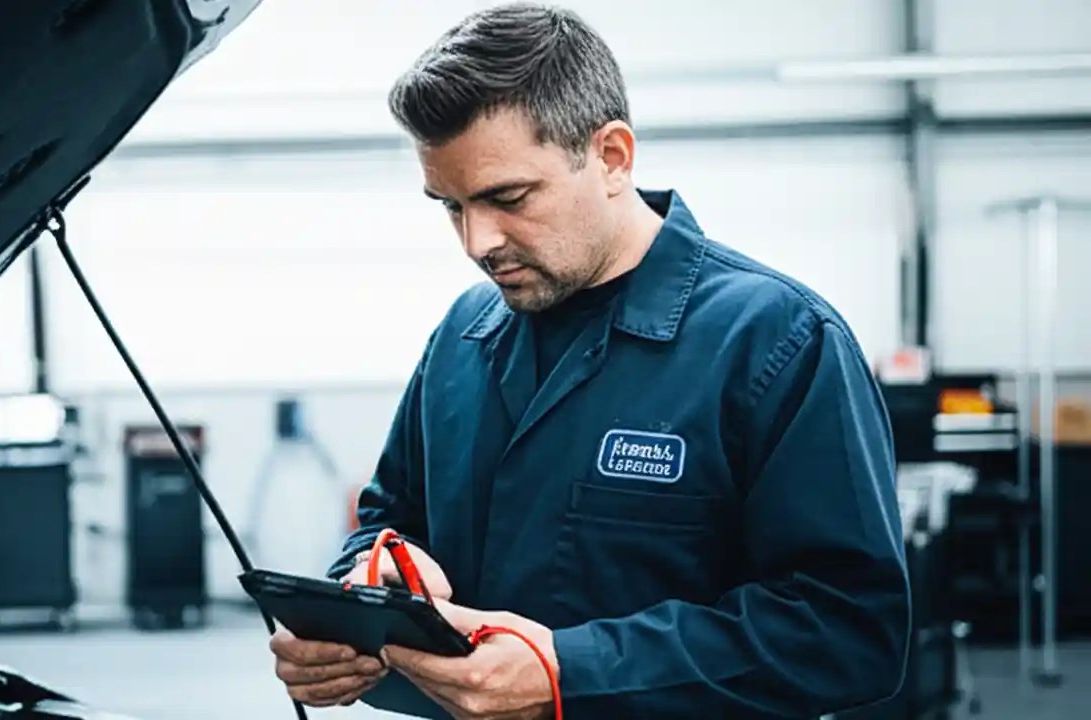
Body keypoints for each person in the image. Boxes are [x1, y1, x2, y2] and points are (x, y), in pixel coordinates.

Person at [268, 3, 911, 718]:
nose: (479, 241)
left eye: (507, 198)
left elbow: (850, 630)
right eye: (450, 207)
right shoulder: (462, 337)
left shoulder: (778, 343)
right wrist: (367, 590)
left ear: (611, 157)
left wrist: (566, 673)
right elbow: (390, 520)